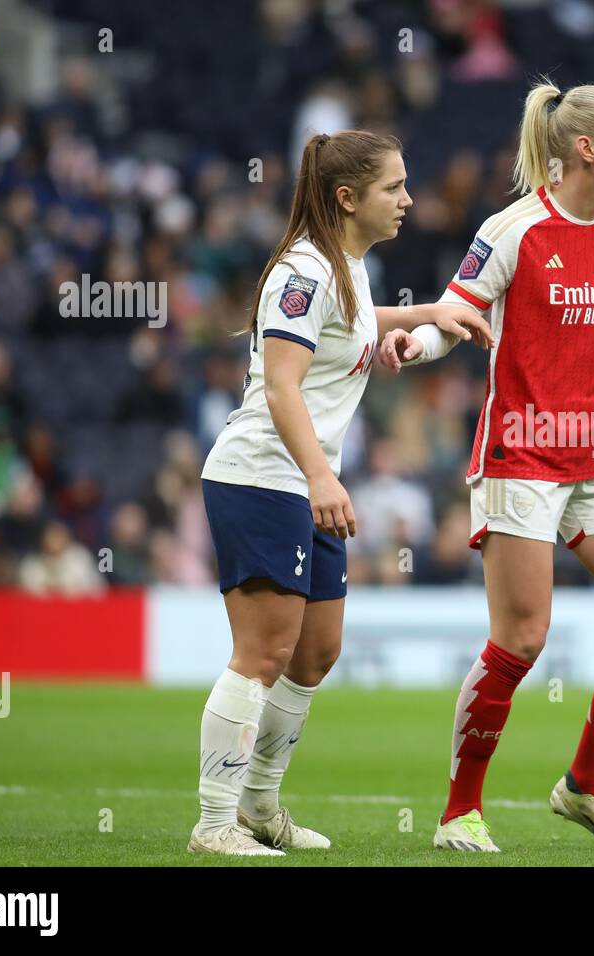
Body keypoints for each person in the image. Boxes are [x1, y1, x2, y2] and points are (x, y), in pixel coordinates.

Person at [380, 79, 594, 852]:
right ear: (586, 149)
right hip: (522, 453)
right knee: (523, 639)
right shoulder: (515, 230)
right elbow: (454, 312)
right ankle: (460, 808)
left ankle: (582, 787)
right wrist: (416, 343)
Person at [192, 130, 491, 856]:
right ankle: (214, 822)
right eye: (395, 187)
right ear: (347, 197)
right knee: (262, 654)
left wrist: (422, 315)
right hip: (264, 476)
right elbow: (283, 383)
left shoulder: (348, 267)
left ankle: (261, 805)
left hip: (303, 482)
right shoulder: (303, 270)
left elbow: (351, 327)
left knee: (316, 653)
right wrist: (323, 476)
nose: (409, 200)